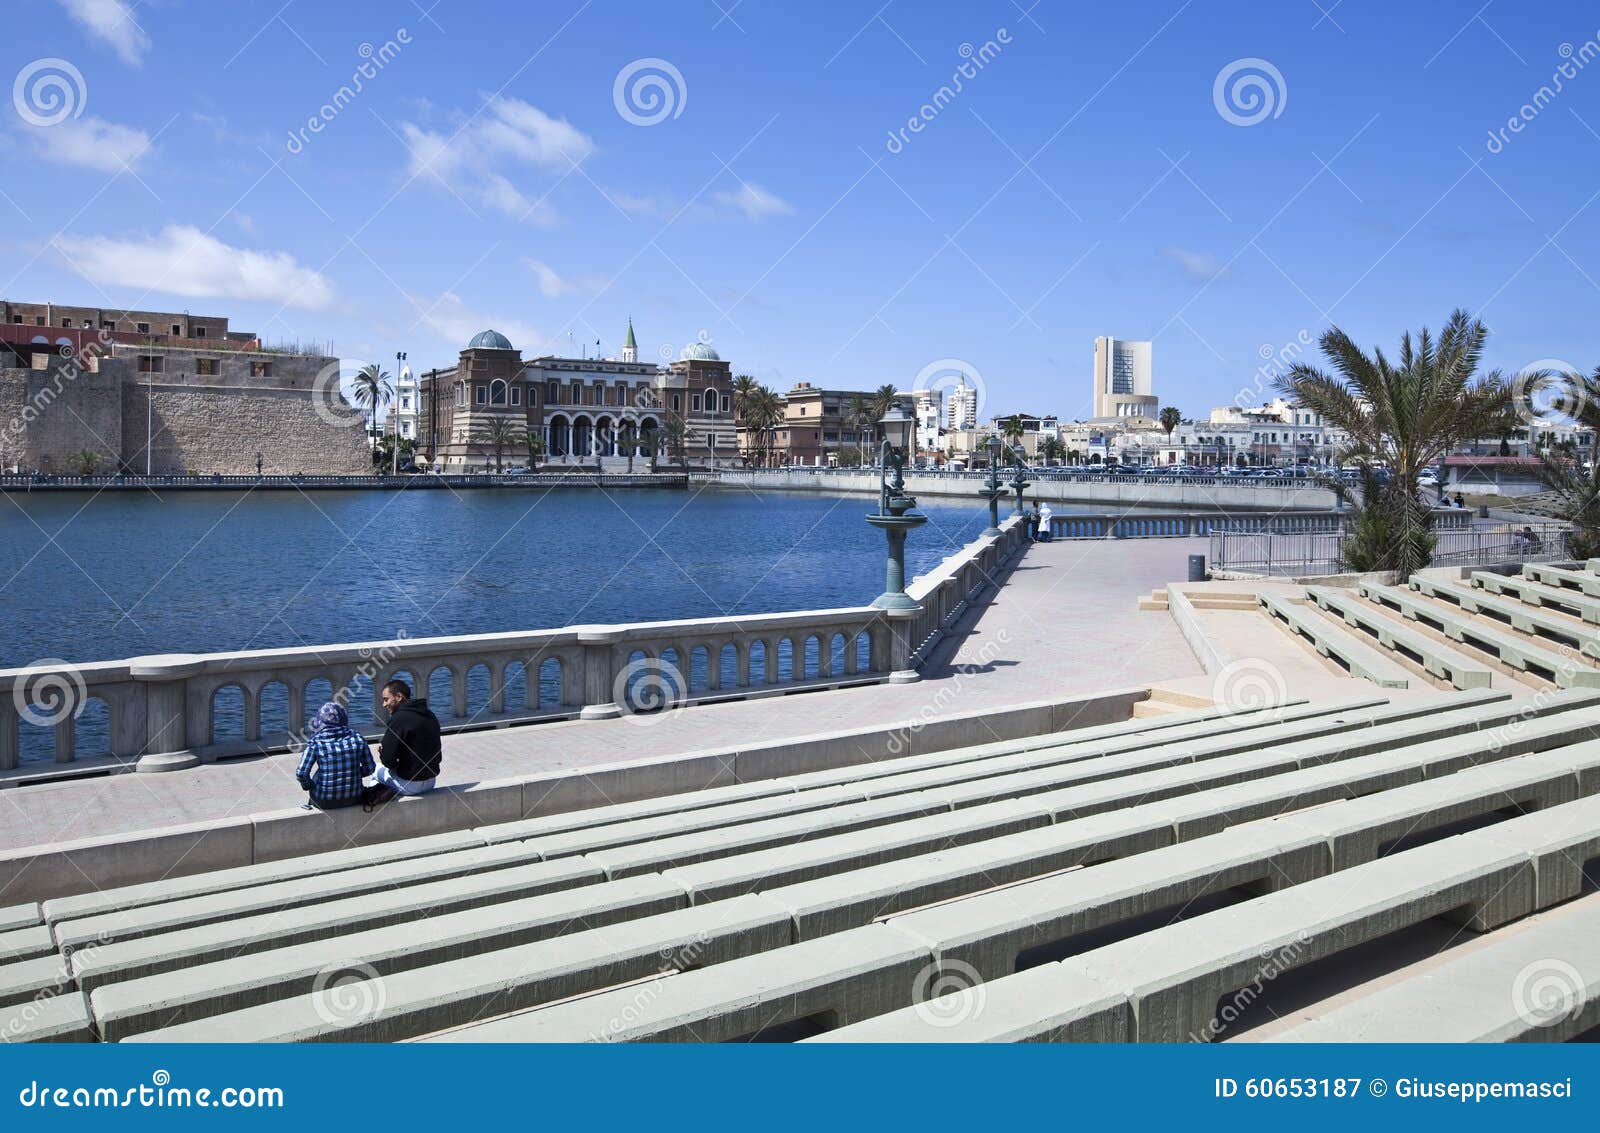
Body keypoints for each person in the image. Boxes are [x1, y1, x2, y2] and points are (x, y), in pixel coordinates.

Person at [371, 678, 442, 800]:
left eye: (386, 699)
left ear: (398, 696)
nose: (384, 704)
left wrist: (382, 751)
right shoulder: (429, 714)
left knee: (375, 770)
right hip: (431, 781)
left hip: (410, 785)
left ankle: (380, 810)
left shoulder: (398, 719)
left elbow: (388, 761)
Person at [295, 702, 373, 810]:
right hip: (355, 797)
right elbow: (370, 768)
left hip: (324, 801)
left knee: (319, 773)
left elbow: (301, 774)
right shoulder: (357, 738)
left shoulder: (316, 742)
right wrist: (351, 773)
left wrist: (308, 786)